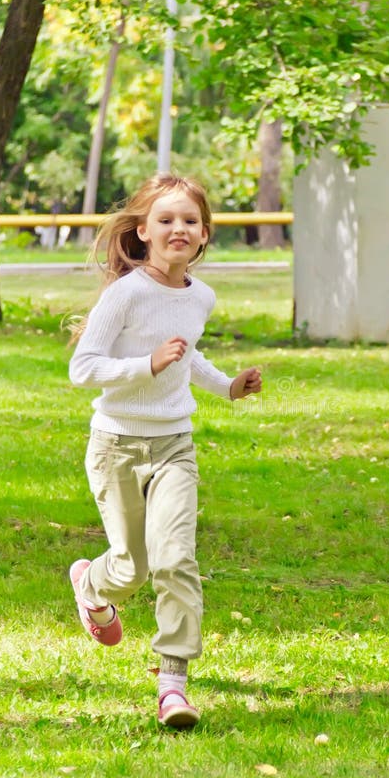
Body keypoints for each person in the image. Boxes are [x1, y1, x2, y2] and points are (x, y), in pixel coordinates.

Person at [68, 173, 262, 729]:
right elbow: (83, 368)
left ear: (204, 236)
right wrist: (143, 365)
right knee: (131, 567)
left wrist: (227, 386)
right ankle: (91, 582)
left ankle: (172, 683)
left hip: (175, 443)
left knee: (175, 560)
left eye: (191, 221)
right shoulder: (126, 293)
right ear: (143, 232)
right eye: (166, 219)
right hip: (117, 447)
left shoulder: (200, 296)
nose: (179, 228)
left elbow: (189, 356)